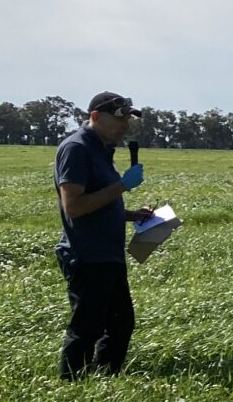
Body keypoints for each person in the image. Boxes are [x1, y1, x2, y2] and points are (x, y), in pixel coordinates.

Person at [53, 91, 156, 379]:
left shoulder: (101, 150)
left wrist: (132, 215)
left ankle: (105, 381)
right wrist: (123, 185)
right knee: (87, 328)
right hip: (87, 255)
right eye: (120, 119)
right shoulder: (76, 149)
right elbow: (74, 207)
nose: (126, 126)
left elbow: (99, 202)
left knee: (121, 324)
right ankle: (71, 386)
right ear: (96, 116)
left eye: (128, 120)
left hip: (108, 254)